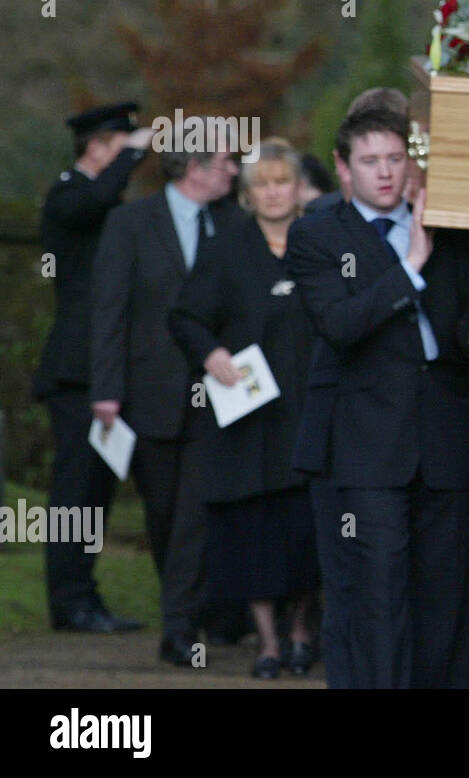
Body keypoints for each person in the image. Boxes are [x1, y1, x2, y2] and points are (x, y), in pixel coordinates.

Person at [286, 107, 469, 688]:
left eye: (395, 159)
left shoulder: (449, 226)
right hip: (367, 445)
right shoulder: (317, 234)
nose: (385, 173)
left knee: (446, 592)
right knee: (376, 590)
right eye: (370, 161)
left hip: (447, 437)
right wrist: (411, 266)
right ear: (342, 168)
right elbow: (340, 324)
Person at [167, 144, 320, 679]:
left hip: (312, 416)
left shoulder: (322, 242)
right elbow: (185, 316)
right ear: (248, 194)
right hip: (250, 426)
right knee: (254, 538)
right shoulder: (226, 247)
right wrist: (210, 354)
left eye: (283, 181)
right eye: (263, 184)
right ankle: (269, 642)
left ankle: (303, 632)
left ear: (299, 186)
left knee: (307, 535)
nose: (274, 192)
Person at [91, 139, 241, 665]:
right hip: (149, 394)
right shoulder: (130, 223)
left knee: (195, 514)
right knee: (163, 514)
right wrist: (106, 390)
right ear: (195, 168)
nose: (234, 171)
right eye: (225, 162)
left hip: (218, 393)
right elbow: (109, 309)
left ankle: (181, 627)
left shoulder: (234, 223)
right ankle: (186, 608)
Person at [35, 102, 151, 634]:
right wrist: (131, 156)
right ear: (97, 146)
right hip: (75, 371)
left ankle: (85, 595)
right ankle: (69, 599)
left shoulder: (98, 201)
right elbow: (99, 198)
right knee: (75, 493)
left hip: (99, 369)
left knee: (94, 493)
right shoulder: (68, 195)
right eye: (120, 146)